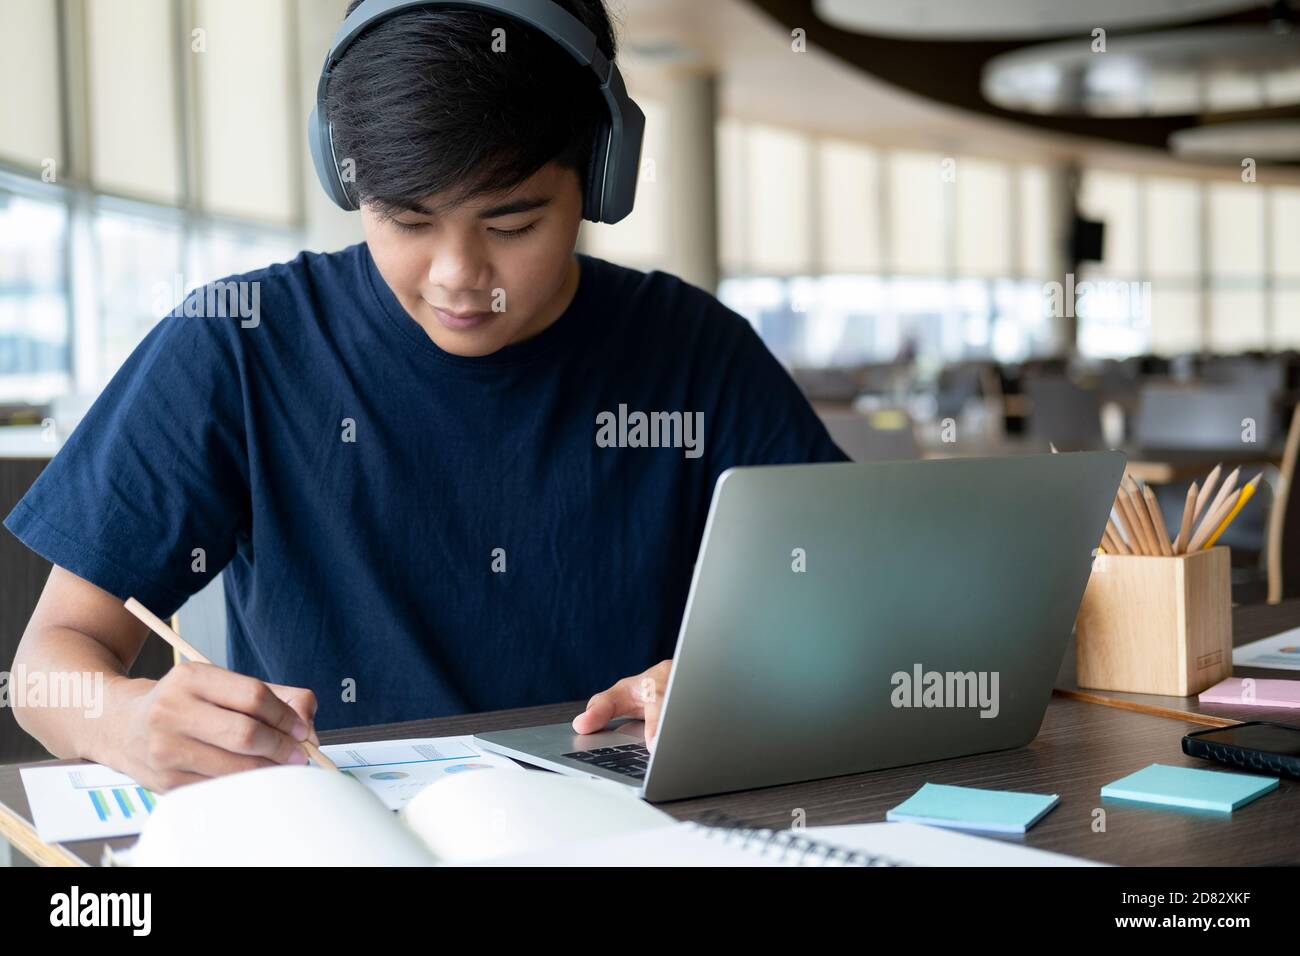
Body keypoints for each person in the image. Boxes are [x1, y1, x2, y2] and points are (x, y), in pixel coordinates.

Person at [5, 0, 845, 793]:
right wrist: (126, 719)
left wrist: (737, 679)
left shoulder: (696, 352)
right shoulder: (238, 342)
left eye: (511, 225)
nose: (456, 278)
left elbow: (852, 613)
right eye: (406, 222)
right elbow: (48, 662)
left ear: (602, 174)